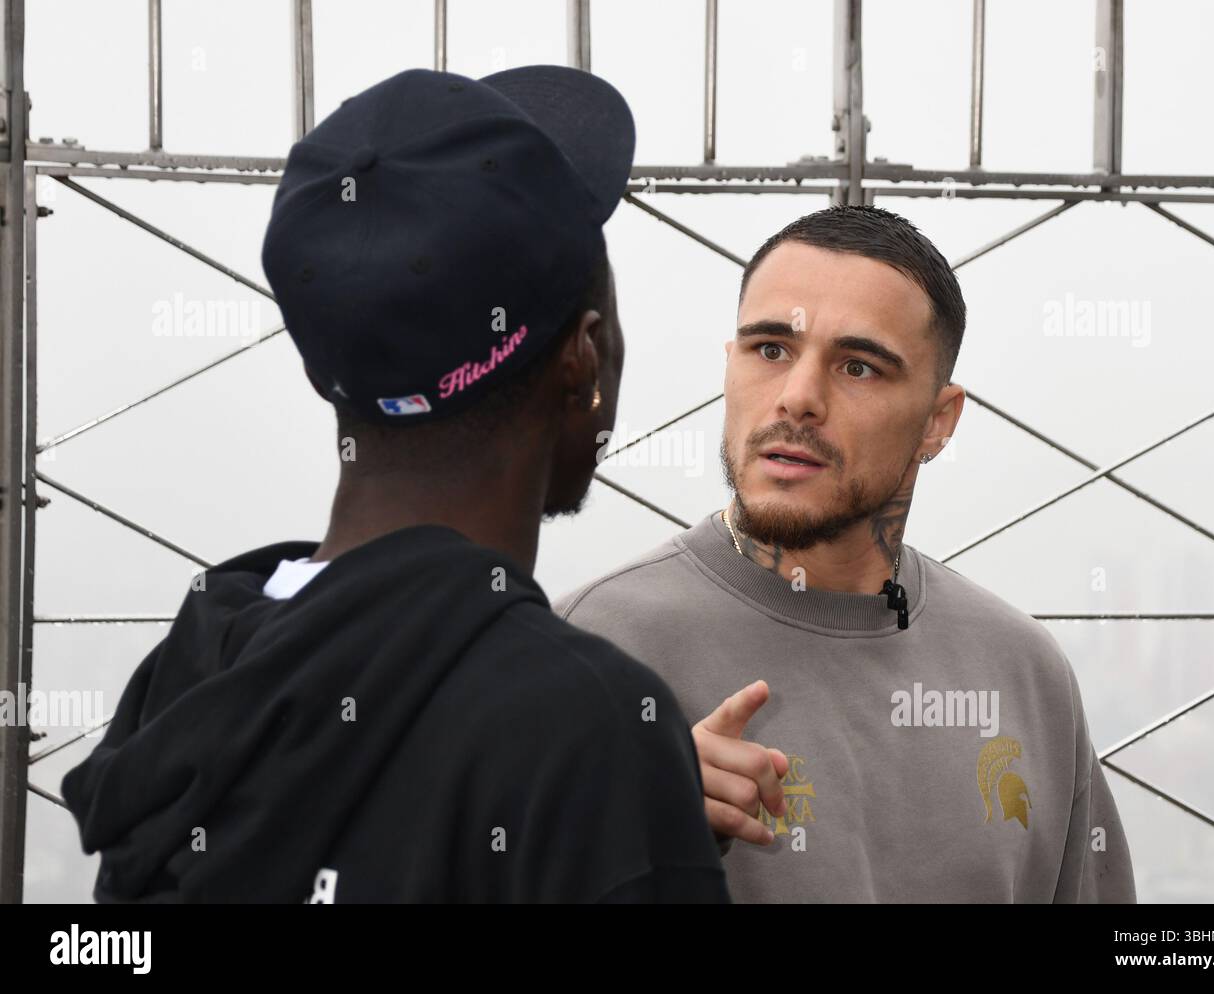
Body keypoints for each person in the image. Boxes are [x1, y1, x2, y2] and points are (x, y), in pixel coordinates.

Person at [61, 66, 729, 904]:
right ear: (583, 358)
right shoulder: (583, 731)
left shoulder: (190, 680)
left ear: (321, 373)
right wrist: (636, 836)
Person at [556, 204, 1137, 903]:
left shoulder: (1025, 674)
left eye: (858, 367)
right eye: (769, 349)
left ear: (937, 421)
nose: (797, 399)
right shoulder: (592, 650)